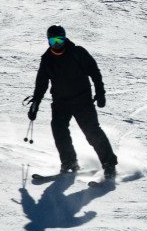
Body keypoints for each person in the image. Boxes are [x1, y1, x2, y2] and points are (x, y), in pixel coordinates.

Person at [25, 25, 118, 178]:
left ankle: (109, 164)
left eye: (60, 39)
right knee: (58, 129)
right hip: (61, 102)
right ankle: (69, 161)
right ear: (48, 41)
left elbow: (95, 72)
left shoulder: (78, 53)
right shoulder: (47, 59)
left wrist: (100, 93)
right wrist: (35, 104)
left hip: (82, 100)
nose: (57, 43)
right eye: (53, 40)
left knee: (92, 132)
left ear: (65, 38)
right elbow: (41, 84)